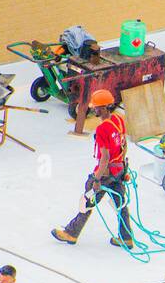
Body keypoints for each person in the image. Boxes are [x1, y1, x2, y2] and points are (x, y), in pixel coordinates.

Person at [51, 88, 135, 248]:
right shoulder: (118, 120)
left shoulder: (102, 129)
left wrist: (97, 179)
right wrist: (122, 168)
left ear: (103, 108)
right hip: (119, 170)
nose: (93, 109)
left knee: (87, 200)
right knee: (120, 204)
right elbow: (123, 146)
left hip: (105, 174)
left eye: (96, 107)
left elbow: (105, 157)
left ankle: (71, 233)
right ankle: (126, 238)